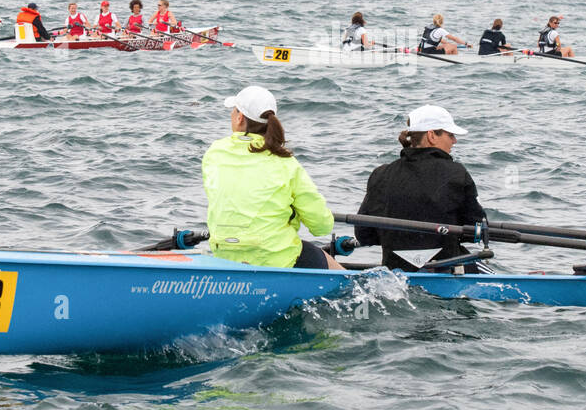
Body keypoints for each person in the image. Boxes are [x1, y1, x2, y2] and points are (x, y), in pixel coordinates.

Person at [202, 86, 342, 270]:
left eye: (233, 109)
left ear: (239, 117)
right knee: (330, 264)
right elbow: (322, 227)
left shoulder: (214, 153)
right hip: (275, 259)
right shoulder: (286, 162)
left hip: (225, 256)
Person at [354, 105, 486, 273]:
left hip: (396, 273)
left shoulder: (381, 174)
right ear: (431, 136)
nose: (454, 141)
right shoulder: (457, 173)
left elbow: (364, 234)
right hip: (445, 269)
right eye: (450, 134)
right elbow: (477, 230)